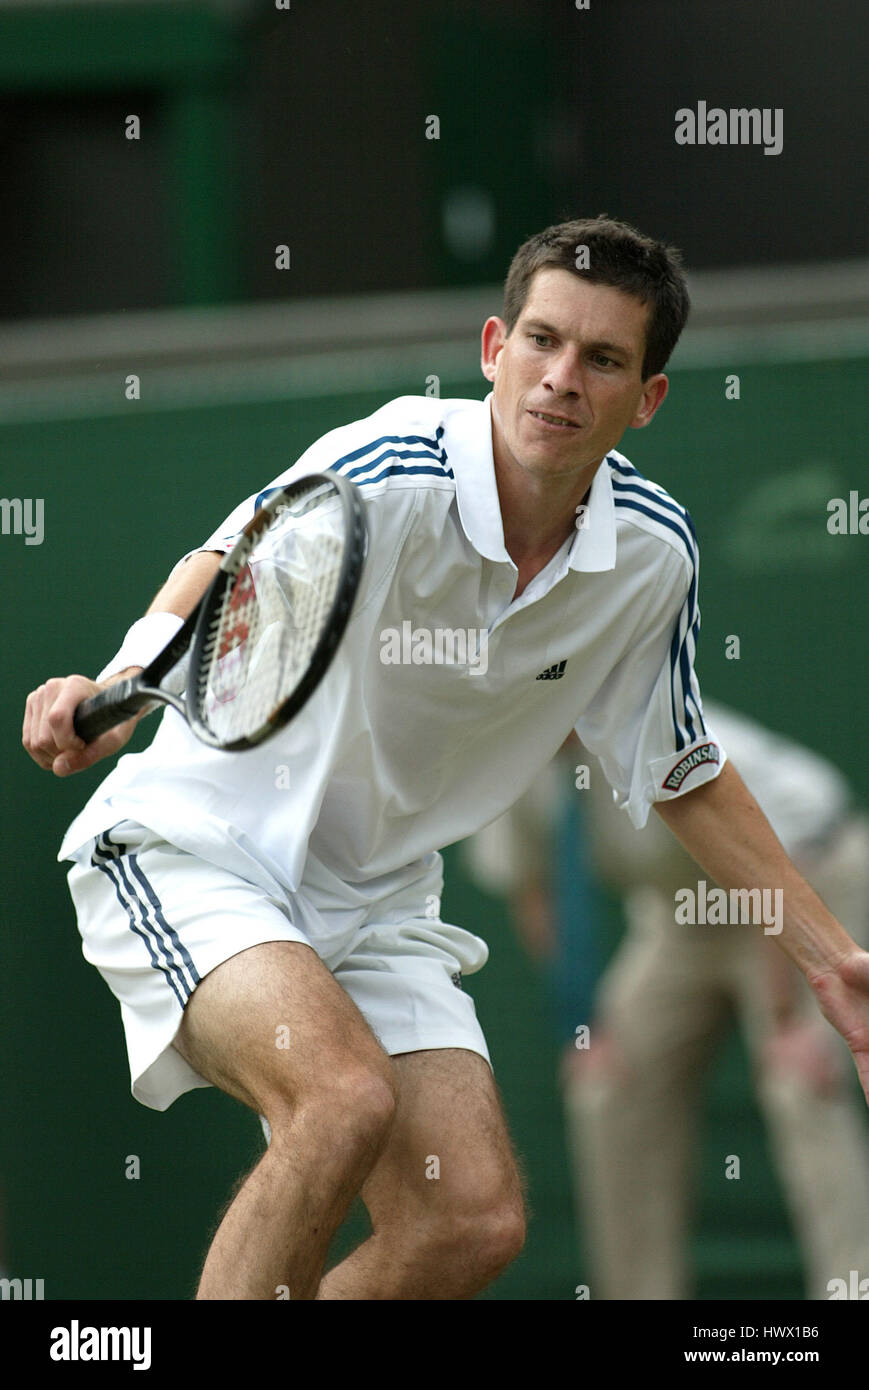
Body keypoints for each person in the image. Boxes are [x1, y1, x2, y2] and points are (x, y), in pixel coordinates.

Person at [22, 216, 869, 1301]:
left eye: (601, 358)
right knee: (340, 1100)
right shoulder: (385, 468)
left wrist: (823, 955)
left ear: (644, 399)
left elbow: (679, 768)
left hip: (373, 902)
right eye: (541, 341)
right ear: (491, 348)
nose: (560, 378)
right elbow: (224, 559)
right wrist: (122, 682)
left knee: (468, 1220)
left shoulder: (651, 555)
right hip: (197, 851)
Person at [464, 708, 869, 1298]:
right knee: (604, 1087)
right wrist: (584, 1027)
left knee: (800, 1081)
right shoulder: (513, 764)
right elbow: (533, 886)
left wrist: (786, 1024)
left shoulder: (673, 731)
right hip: (680, 911)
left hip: (807, 887)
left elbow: (777, 871)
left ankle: (851, 1291)